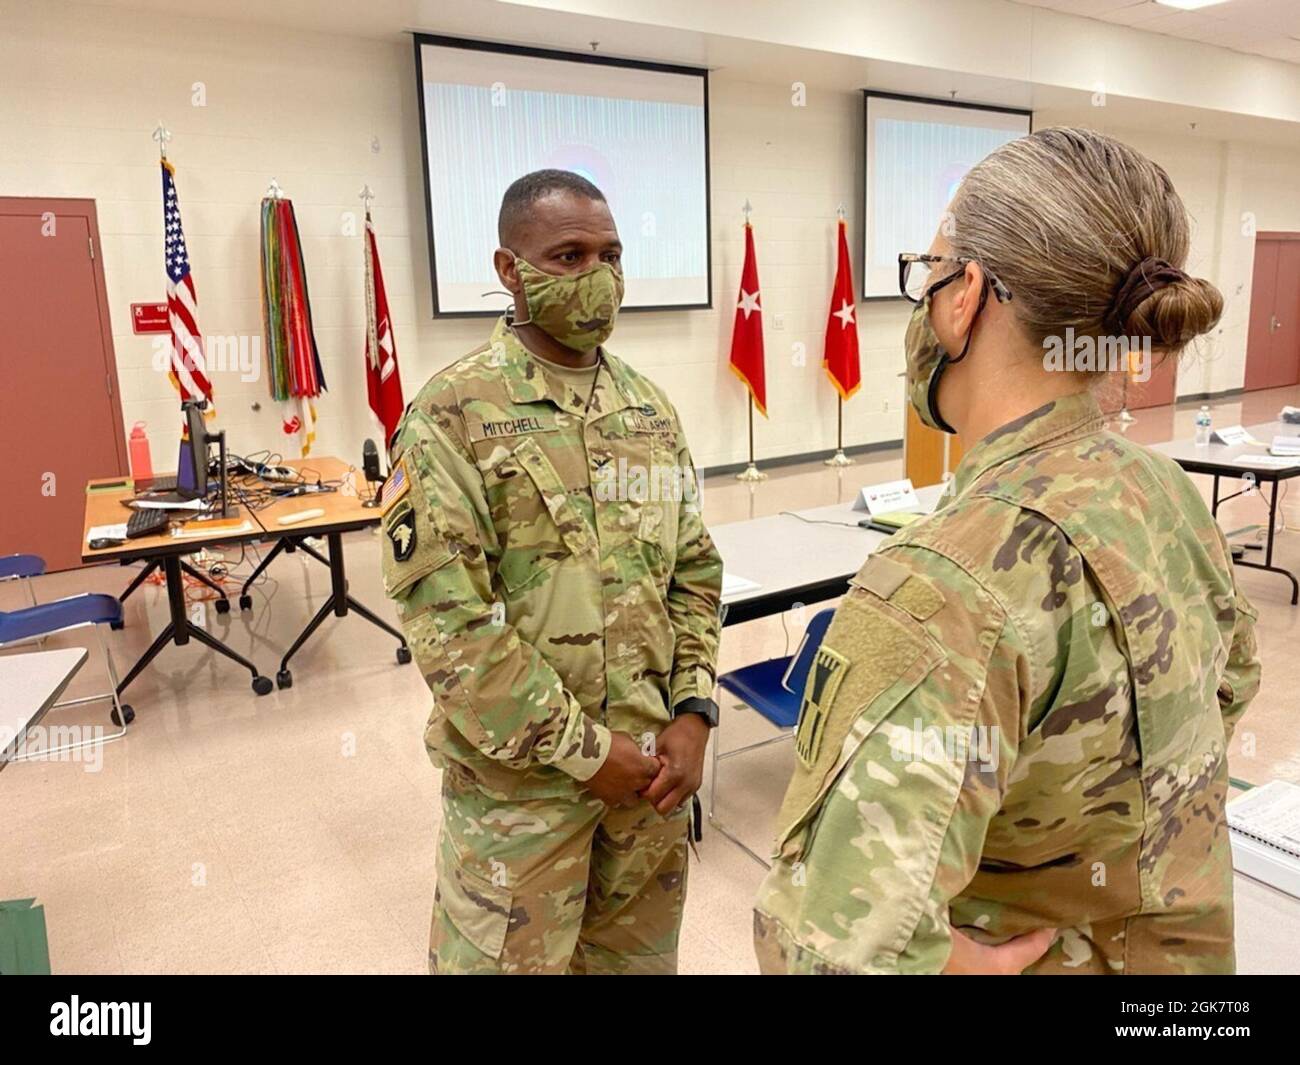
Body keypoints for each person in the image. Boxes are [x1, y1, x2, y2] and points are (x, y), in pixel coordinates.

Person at [753, 127, 1261, 975]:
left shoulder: (944, 582)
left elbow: (822, 949)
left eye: (931, 271)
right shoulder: (1163, 490)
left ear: (967, 297)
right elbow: (1228, 689)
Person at [382, 169, 722, 974]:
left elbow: (695, 571)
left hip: (649, 789)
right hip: (522, 809)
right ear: (510, 270)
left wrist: (696, 709)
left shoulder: (649, 410)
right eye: (568, 256)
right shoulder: (450, 417)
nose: (597, 277)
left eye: (610, 255)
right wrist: (581, 750)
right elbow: (453, 633)